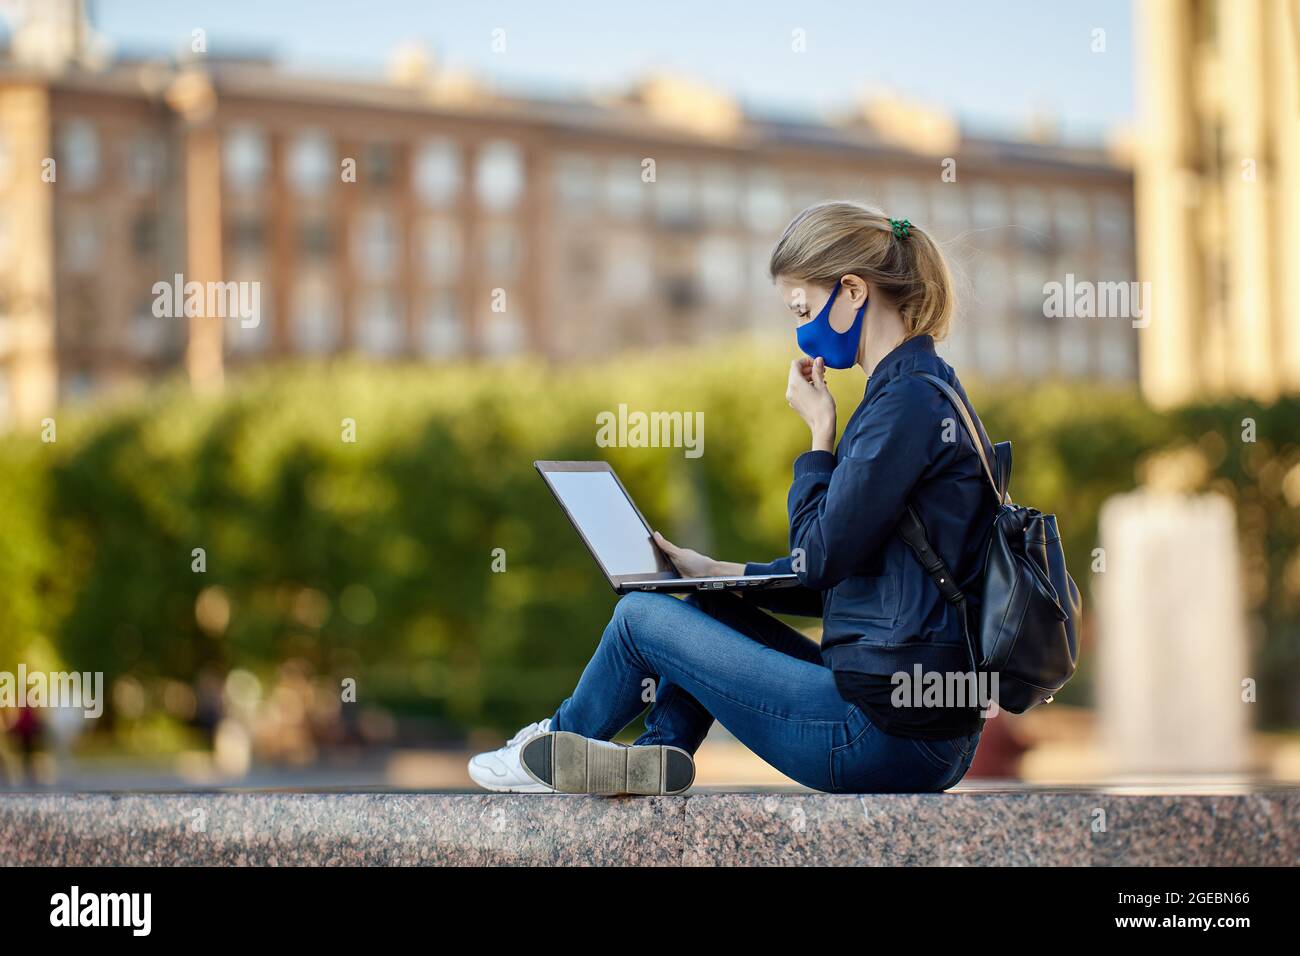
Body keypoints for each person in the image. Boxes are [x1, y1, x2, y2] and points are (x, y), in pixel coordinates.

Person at [470, 200, 995, 795]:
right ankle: (658, 754)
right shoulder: (927, 392)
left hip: (877, 734)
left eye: (801, 307)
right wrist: (719, 572)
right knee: (699, 601)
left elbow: (819, 559)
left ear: (852, 290)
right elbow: (854, 578)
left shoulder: (902, 406)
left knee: (640, 616)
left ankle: (547, 751)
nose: (800, 330)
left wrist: (819, 440)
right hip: (917, 728)